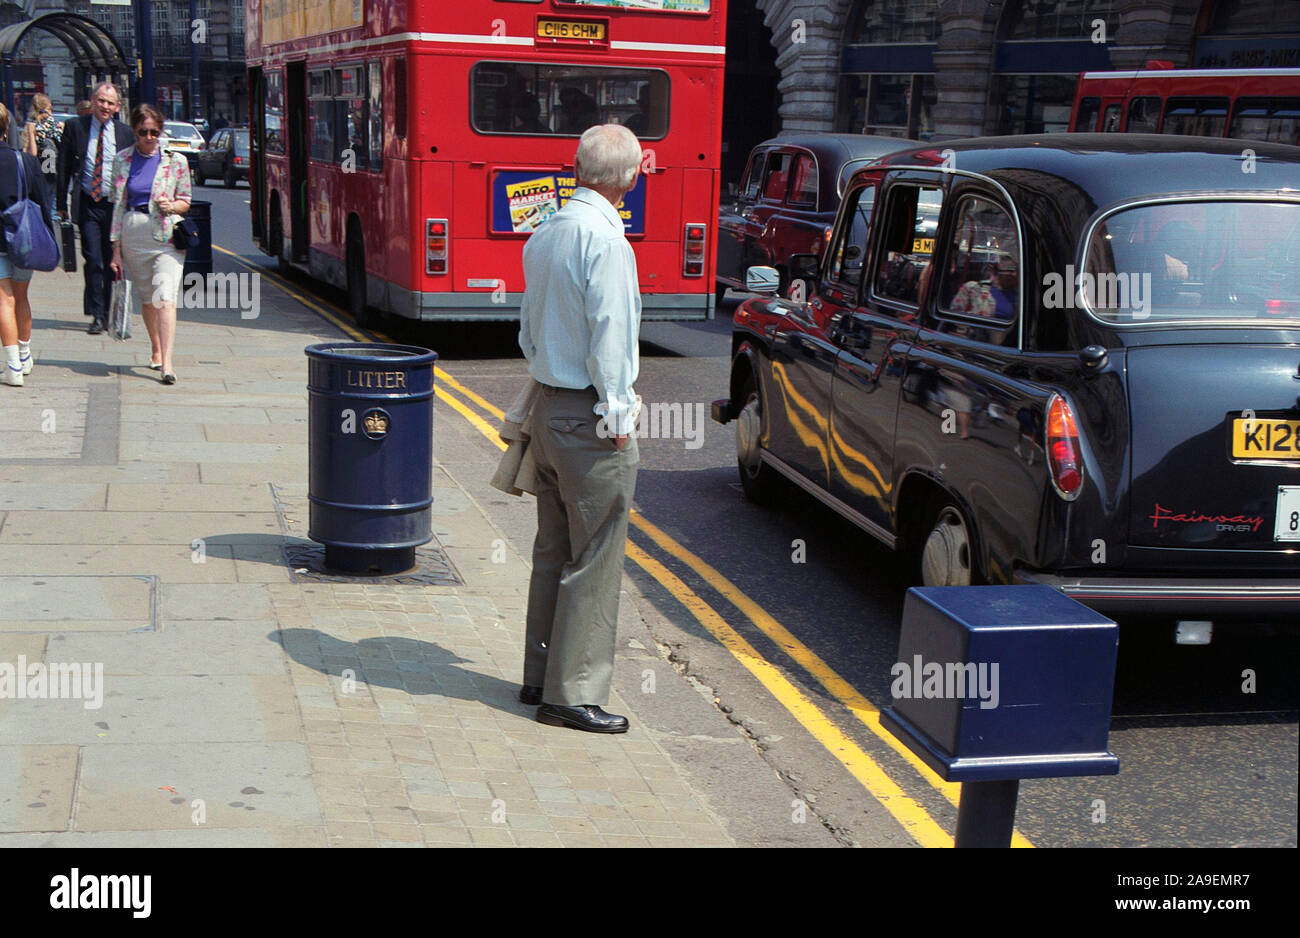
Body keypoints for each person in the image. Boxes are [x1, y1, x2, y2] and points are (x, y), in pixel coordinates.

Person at [517, 124, 643, 734]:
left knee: (552, 549)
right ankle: (573, 694)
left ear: (576, 167)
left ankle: (539, 678)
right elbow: (611, 336)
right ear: (631, 176)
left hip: (547, 407)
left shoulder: (546, 232)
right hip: (590, 417)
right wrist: (618, 418)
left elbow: (526, 331)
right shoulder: (608, 242)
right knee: (594, 557)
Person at [108, 103, 192, 384]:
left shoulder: (176, 161)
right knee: (148, 299)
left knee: (165, 298)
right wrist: (115, 250)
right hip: (134, 233)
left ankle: (168, 363)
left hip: (167, 235)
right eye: (143, 132)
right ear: (134, 130)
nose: (149, 137)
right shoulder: (122, 160)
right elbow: (118, 207)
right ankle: (155, 347)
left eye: (155, 132)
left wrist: (173, 205)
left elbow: (186, 201)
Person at [56, 82, 132, 333]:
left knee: (112, 262)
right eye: (101, 101)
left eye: (111, 103)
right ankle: (97, 314)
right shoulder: (75, 127)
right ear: (93, 100)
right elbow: (64, 165)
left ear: (118, 107)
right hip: (88, 202)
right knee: (93, 259)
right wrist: (60, 204)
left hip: (114, 206)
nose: (105, 107)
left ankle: (110, 312)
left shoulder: (125, 133)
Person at [0, 103, 55, 387]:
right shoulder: (25, 161)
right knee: (20, 297)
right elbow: (42, 202)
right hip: (23, 240)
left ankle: (12, 368)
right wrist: (49, 238)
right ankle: (24, 356)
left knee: (3, 299)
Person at [22, 93, 59, 190]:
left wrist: (30, 132)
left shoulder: (32, 126)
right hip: (53, 173)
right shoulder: (54, 127)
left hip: (39, 175)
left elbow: (31, 154)